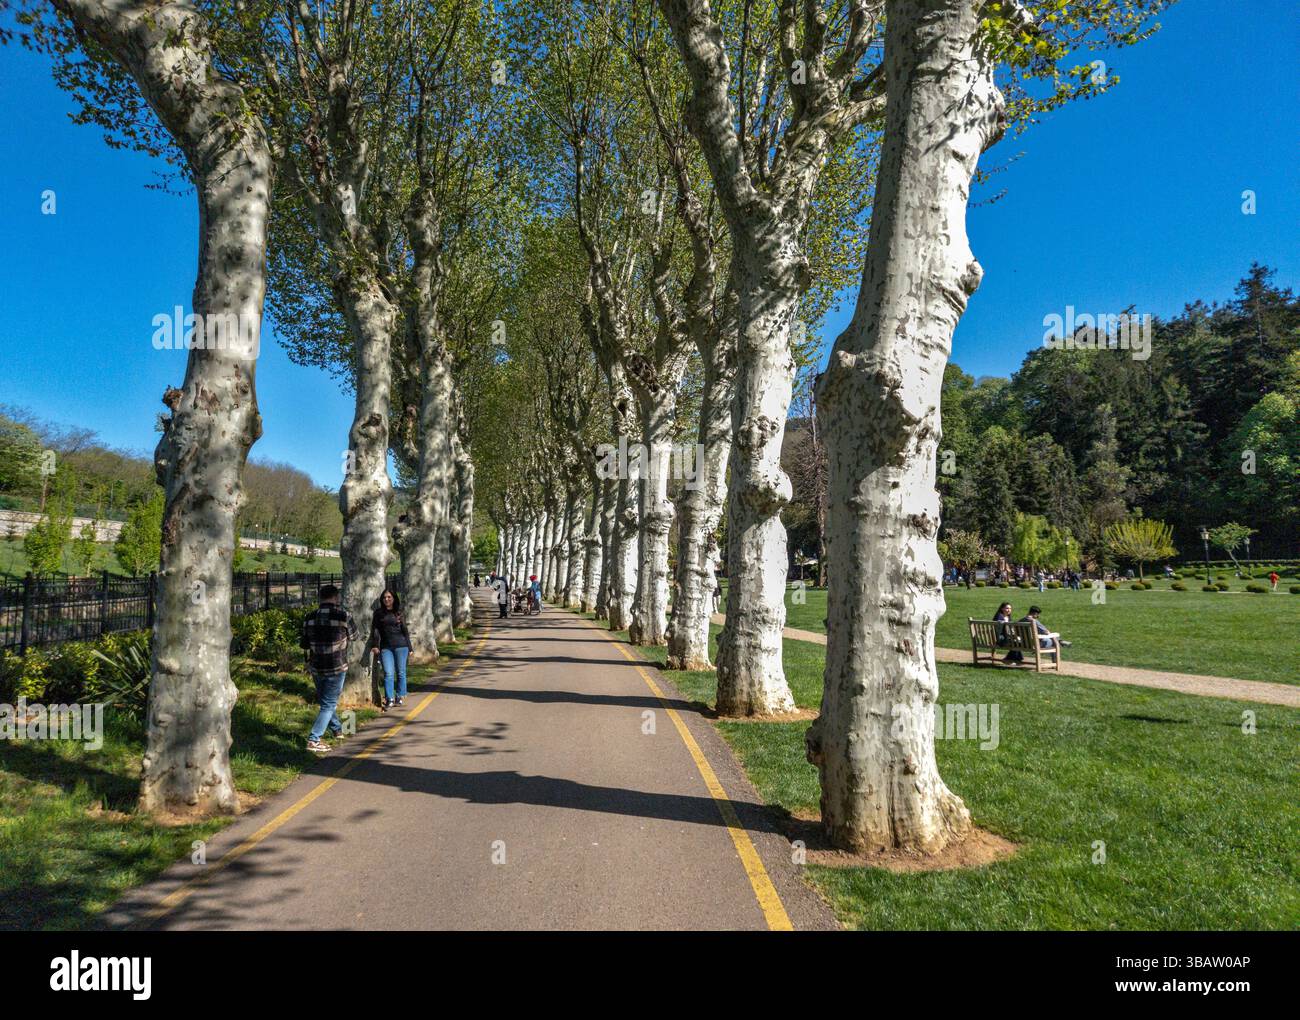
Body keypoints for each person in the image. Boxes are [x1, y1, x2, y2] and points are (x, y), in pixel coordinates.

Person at [300, 584, 358, 754]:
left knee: (325, 701)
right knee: (329, 704)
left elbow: (304, 643)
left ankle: (337, 729)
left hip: (317, 665)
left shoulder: (309, 617)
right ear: (336, 597)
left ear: (320, 598)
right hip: (336, 665)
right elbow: (355, 636)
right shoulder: (344, 616)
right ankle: (314, 739)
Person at [369, 588, 411, 710]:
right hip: (385, 647)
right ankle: (389, 699)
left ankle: (399, 696)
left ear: (393, 598)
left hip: (401, 646)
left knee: (401, 672)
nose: (386, 599)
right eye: (384, 597)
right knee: (388, 673)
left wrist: (410, 648)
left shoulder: (399, 612)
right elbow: (375, 630)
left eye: (389, 597)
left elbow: (405, 630)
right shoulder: (378, 613)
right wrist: (375, 645)